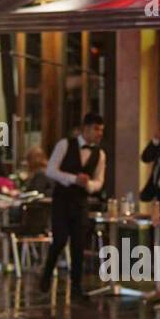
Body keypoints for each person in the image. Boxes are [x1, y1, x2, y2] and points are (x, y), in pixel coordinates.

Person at [39, 113, 106, 299]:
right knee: (59, 240)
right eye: (96, 129)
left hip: (81, 202)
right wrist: (72, 179)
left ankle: (76, 286)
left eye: (101, 130)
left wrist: (88, 185)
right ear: (85, 128)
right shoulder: (64, 145)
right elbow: (51, 170)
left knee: (78, 244)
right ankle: (47, 273)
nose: (99, 133)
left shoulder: (99, 154)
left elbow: (99, 181)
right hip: (62, 200)